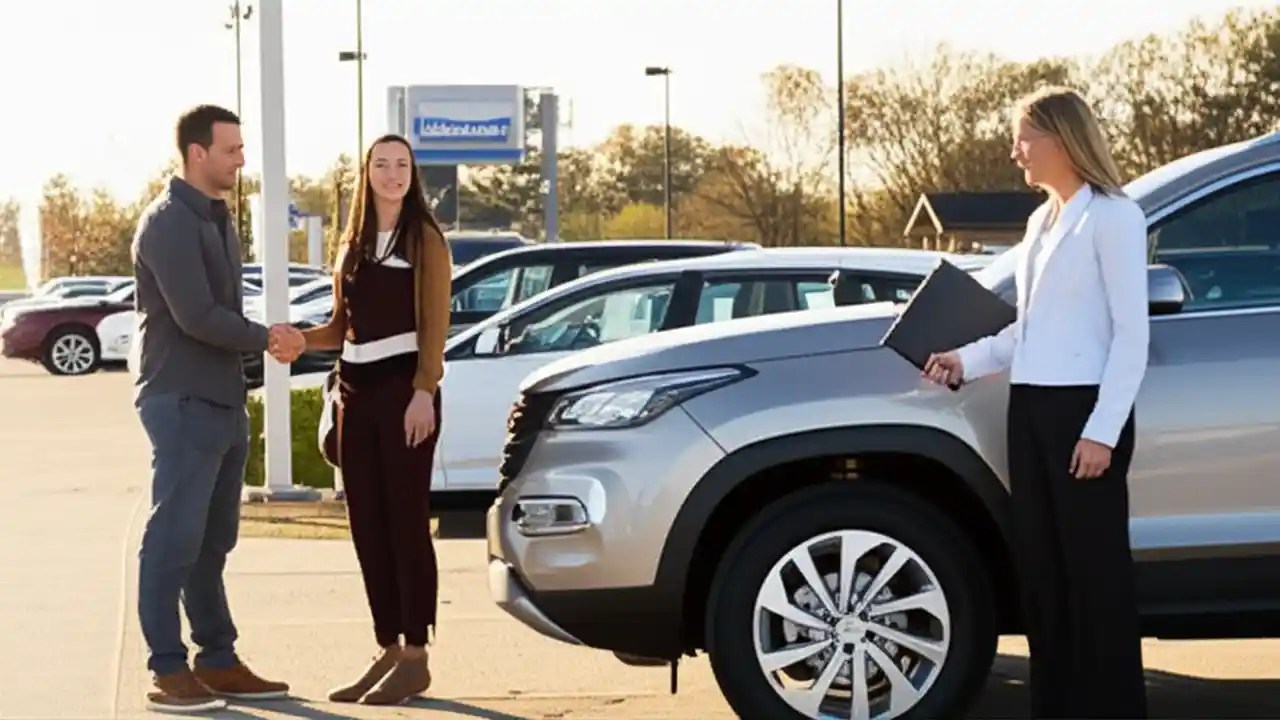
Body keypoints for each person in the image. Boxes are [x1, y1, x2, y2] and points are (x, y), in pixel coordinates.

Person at [923, 86, 1149, 718]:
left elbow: (1132, 336)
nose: (1015, 149)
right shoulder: (1040, 221)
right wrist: (964, 361)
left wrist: (1102, 432)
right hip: (1031, 413)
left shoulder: (1113, 217)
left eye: (1025, 137)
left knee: (1095, 579)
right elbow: (1030, 331)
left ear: (1063, 140)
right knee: (1045, 579)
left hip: (1086, 419)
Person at [131, 104, 304, 713]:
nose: (240, 160)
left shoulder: (216, 218)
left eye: (240, 149)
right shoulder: (169, 223)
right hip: (179, 400)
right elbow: (197, 317)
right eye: (231, 150)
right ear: (196, 153)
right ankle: (167, 670)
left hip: (223, 401)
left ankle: (219, 660)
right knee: (173, 539)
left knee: (212, 544)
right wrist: (270, 338)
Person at [300, 133, 452, 706]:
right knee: (367, 526)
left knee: (406, 524)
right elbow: (341, 329)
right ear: (366, 174)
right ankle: (387, 646)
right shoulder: (354, 243)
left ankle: (416, 656)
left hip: (403, 394)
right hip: (354, 397)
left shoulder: (426, 240)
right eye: (381, 165)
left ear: (413, 174)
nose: (392, 174)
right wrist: (297, 340)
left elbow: (435, 325)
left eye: (402, 165)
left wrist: (423, 391)